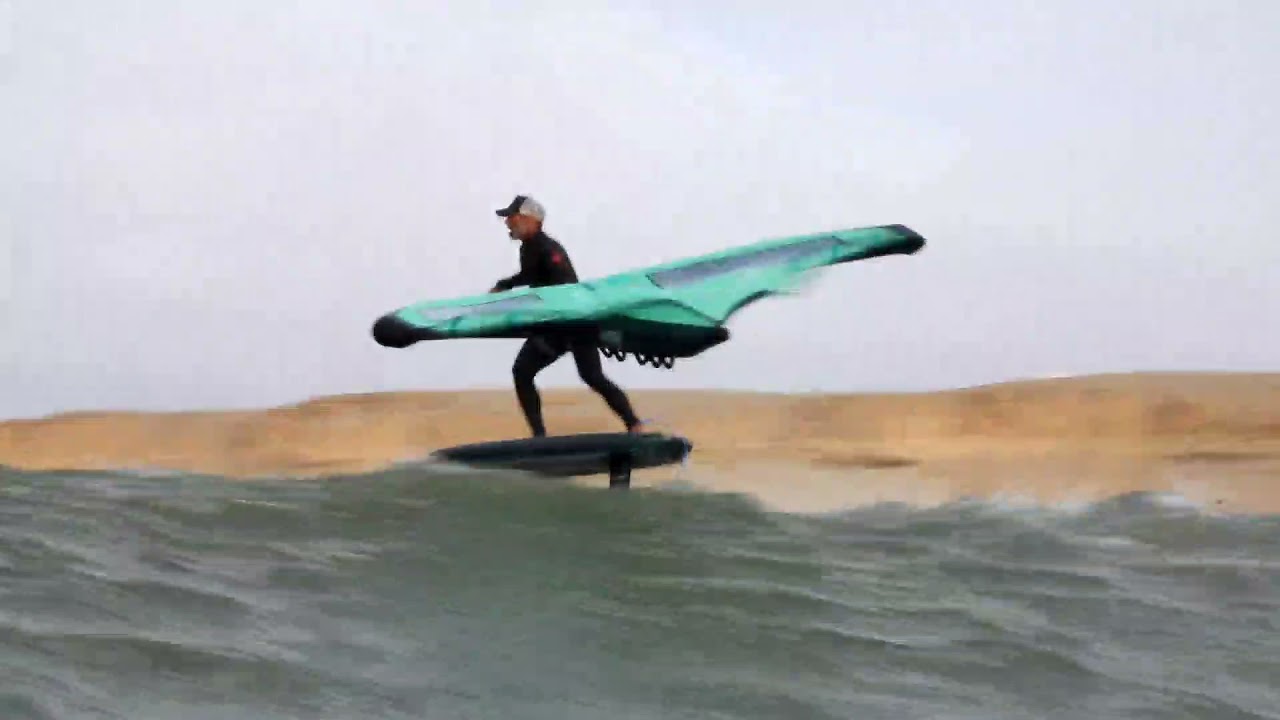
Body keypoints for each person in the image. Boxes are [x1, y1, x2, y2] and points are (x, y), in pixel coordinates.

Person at [490, 194, 645, 437]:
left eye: (513, 217)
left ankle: (634, 424)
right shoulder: (529, 248)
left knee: (591, 376)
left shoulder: (547, 248)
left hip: (574, 324)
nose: (508, 223)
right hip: (556, 325)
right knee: (524, 371)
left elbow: (561, 281)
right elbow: (531, 276)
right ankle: (539, 437)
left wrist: (509, 288)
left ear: (531, 219)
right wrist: (508, 285)